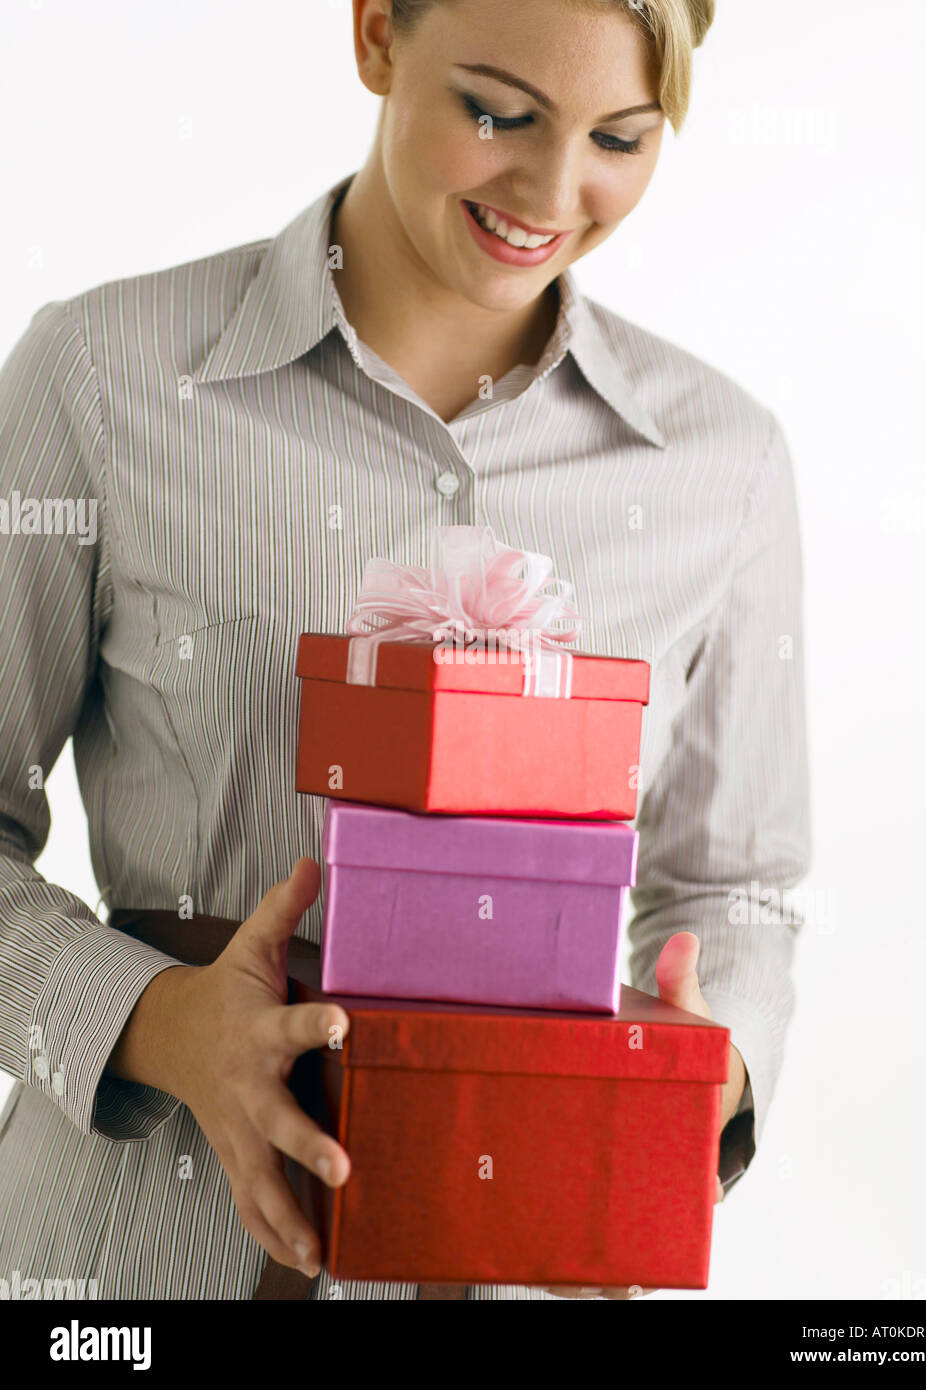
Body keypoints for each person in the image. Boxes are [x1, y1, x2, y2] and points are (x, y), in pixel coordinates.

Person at [0, 0, 810, 1300]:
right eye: (497, 112)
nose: (552, 191)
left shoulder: (726, 464)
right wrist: (169, 1027)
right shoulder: (100, 376)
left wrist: (711, 1067)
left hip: (518, 1245)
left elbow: (740, 888)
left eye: (620, 134)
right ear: (376, 34)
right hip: (124, 1268)